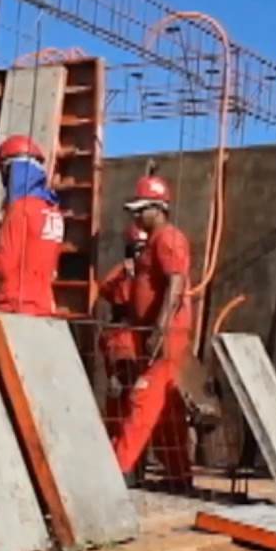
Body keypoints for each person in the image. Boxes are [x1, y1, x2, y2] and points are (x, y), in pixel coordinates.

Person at [110, 174, 194, 488]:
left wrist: (159, 329)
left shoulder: (168, 239)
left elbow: (175, 284)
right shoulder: (155, 242)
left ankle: (119, 469)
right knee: (166, 408)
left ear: (158, 209)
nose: (135, 217)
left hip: (165, 337)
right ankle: (179, 474)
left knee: (142, 398)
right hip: (158, 335)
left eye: (140, 210)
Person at [0, 135, 64, 317]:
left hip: (14, 307)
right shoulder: (53, 212)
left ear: (12, 172)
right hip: (43, 308)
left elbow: (3, 266)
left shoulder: (20, 209)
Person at [98, 223, 149, 442]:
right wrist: (128, 276)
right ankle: (116, 441)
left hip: (142, 339)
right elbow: (110, 290)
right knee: (120, 392)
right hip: (123, 339)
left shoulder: (154, 273)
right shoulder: (124, 275)